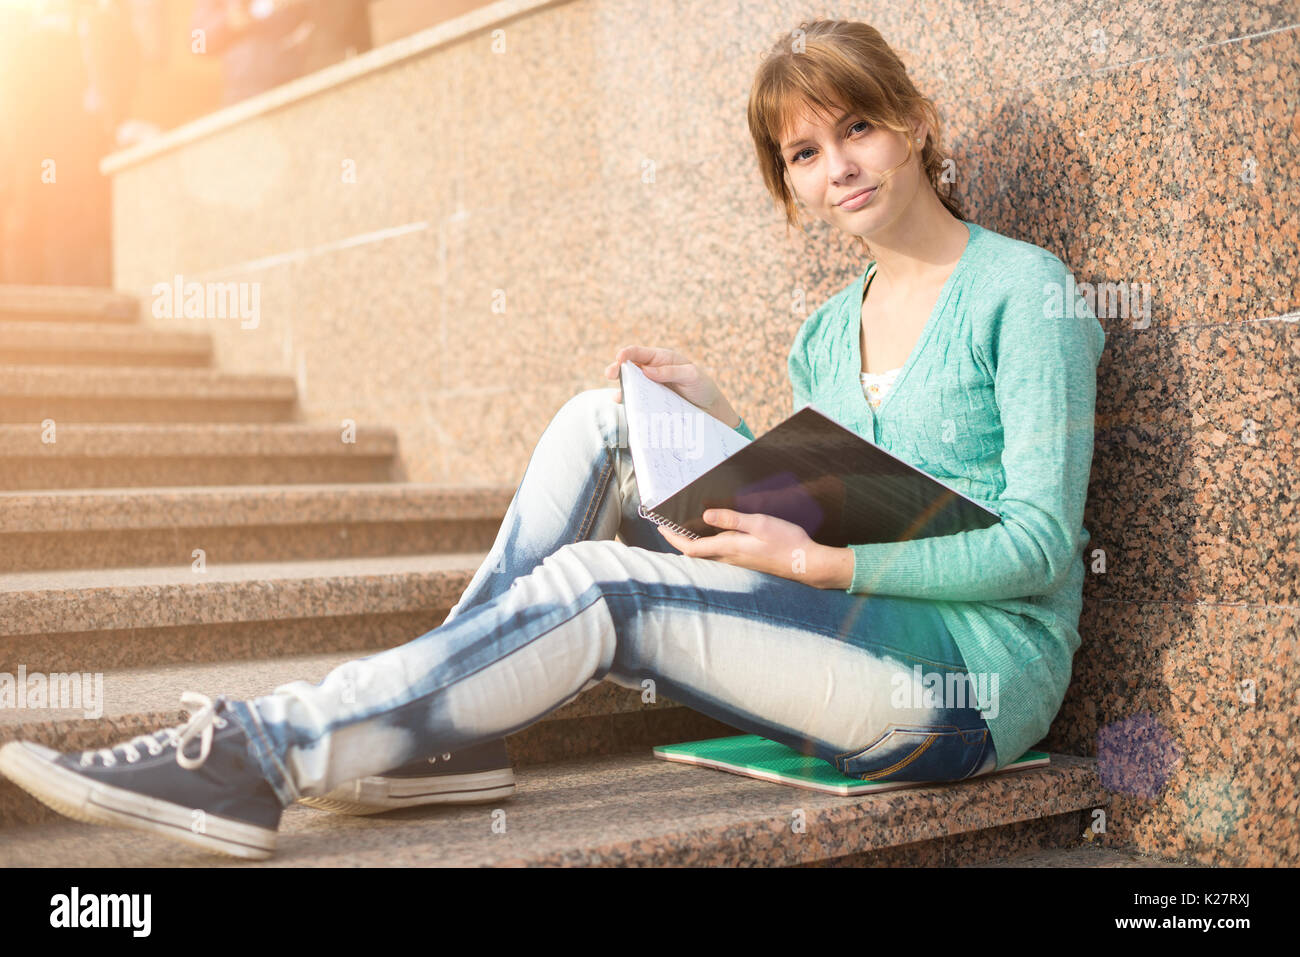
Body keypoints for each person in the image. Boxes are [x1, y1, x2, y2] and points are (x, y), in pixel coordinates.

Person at [0, 18, 1105, 860]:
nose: (839, 166)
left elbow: (1040, 544)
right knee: (604, 421)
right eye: (805, 152)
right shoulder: (826, 332)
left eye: (856, 127)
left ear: (913, 120)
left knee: (601, 589)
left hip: (967, 689)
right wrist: (725, 423)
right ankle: (443, 737)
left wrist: (825, 562)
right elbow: (847, 487)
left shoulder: (1019, 291)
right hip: (844, 628)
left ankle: (261, 753)